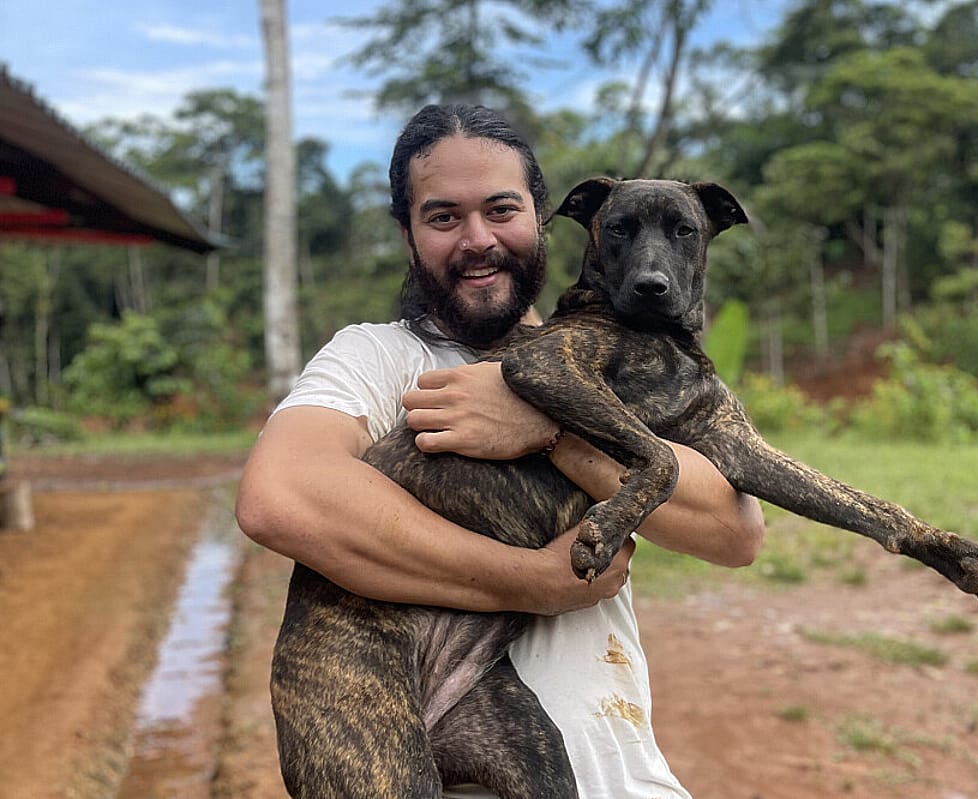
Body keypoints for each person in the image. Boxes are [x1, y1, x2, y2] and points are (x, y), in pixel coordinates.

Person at [235, 103, 764, 798]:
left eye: (501, 209)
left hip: (621, 773)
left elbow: (733, 531)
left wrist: (550, 427)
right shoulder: (381, 354)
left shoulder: (609, 359)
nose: (477, 238)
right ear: (409, 233)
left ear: (544, 218)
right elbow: (282, 494)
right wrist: (530, 580)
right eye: (444, 216)